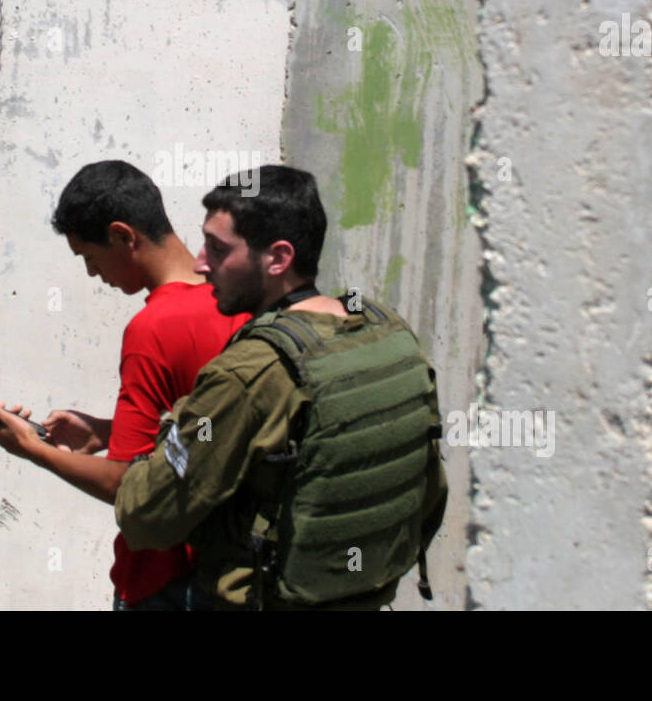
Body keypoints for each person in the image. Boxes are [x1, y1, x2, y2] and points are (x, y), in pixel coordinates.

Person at [114, 165, 447, 610]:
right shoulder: (387, 332)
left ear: (278, 258)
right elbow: (430, 493)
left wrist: (170, 431)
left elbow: (145, 517)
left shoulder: (252, 372)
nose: (199, 262)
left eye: (217, 248)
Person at [0, 160, 249, 610]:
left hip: (167, 580)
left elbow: (124, 485)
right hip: (233, 571)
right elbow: (214, 430)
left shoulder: (152, 331)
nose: (92, 274)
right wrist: (107, 432)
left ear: (124, 236)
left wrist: (34, 449)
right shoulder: (239, 299)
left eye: (90, 257)